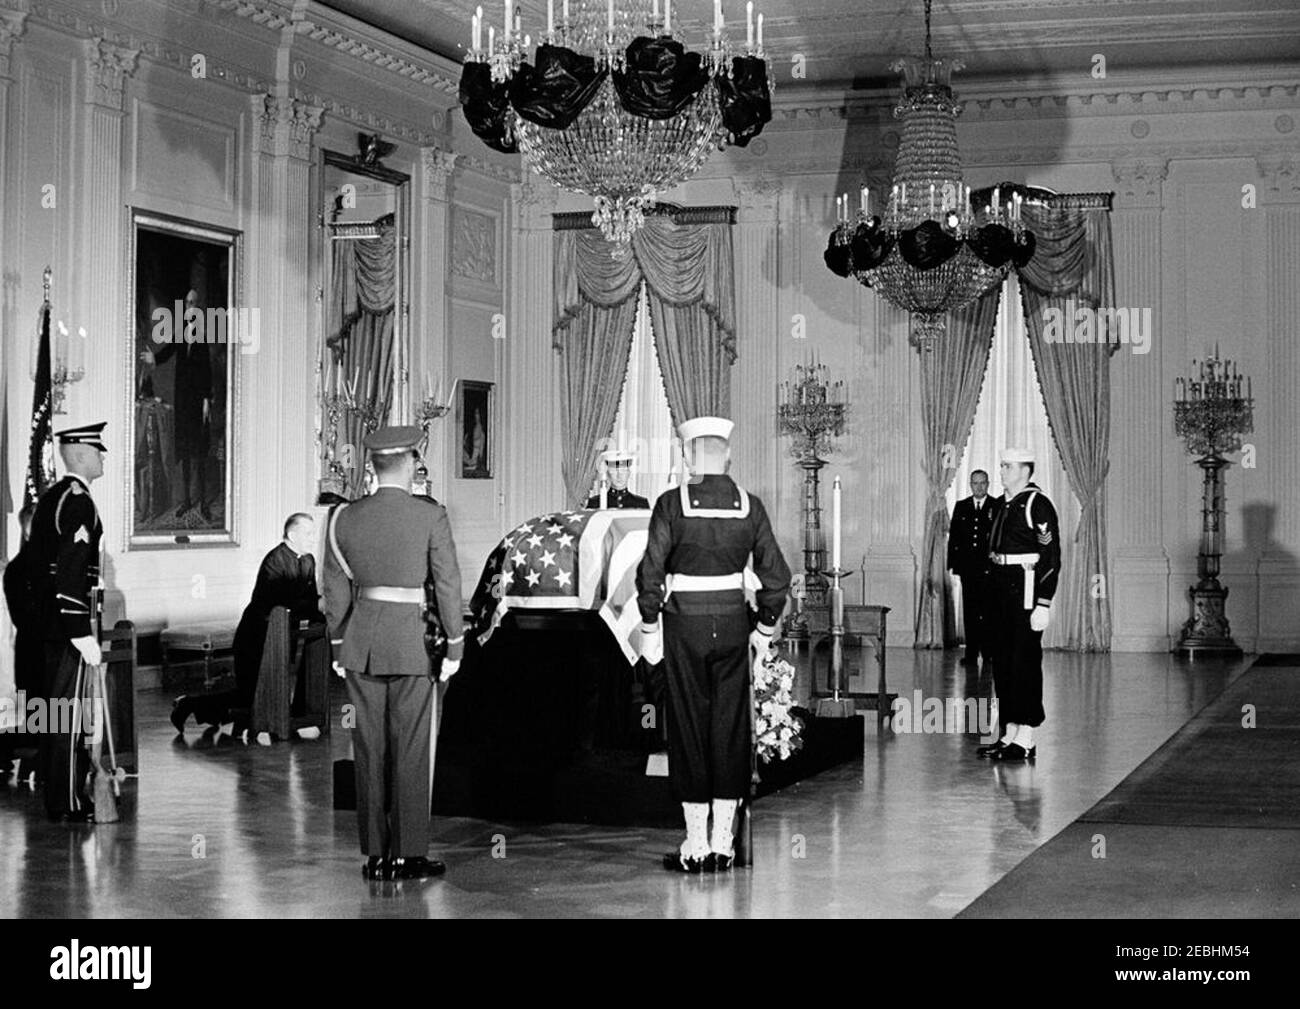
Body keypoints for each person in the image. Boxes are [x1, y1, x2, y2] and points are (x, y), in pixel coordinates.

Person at [636, 416, 791, 873]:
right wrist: (764, 630)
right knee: (729, 728)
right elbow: (776, 578)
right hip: (733, 622)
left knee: (688, 728)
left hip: (684, 626)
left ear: (688, 458)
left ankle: (696, 844)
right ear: (727, 457)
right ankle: (724, 843)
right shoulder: (750, 505)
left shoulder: (671, 504)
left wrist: (650, 628)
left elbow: (650, 573)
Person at [321, 426, 466, 882]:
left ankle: (376, 856)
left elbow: (334, 589)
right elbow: (447, 584)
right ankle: (408, 853)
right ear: (409, 465)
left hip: (361, 642)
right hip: (412, 642)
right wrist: (455, 643)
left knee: (368, 748)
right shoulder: (430, 515)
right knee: (411, 747)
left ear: (373, 466)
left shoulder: (342, 517)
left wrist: (339, 643)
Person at [170, 513, 324, 734]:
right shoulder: (275, 560)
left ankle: (206, 712)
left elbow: (309, 599)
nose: (313, 538)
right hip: (255, 638)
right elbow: (276, 602)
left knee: (258, 695)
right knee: (250, 695)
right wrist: (314, 605)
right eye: (308, 533)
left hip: (281, 637)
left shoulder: (308, 560)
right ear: (292, 535)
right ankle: (188, 704)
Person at [28, 422, 108, 822]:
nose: (102, 457)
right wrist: (80, 632)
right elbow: (70, 570)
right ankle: (69, 801)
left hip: (50, 623)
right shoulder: (77, 501)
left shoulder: (55, 497)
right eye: (96, 451)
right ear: (78, 454)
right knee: (68, 715)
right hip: (67, 627)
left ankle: (59, 794)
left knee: (55, 712)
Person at [977, 447, 1061, 762]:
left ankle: (1026, 737)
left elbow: (1050, 558)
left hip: (1024, 588)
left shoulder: (1038, 504)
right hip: (1000, 586)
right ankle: (1009, 733)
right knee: (1002, 663)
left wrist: (1043, 603)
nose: (1001, 471)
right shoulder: (1004, 504)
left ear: (1025, 470)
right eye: (1001, 465)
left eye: (1008, 466)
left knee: (1023, 662)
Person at [139, 288, 214, 521]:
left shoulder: (204, 334)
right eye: (188, 302)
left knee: (200, 454)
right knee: (185, 452)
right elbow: (168, 351)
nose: (191, 306)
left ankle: (203, 503)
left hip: (198, 401)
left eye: (194, 302)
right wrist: (154, 358)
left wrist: (206, 400)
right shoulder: (180, 332)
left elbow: (207, 369)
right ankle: (188, 501)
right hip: (183, 402)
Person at [947, 469, 1002, 668]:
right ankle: (970, 654)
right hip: (968, 569)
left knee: (989, 612)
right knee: (970, 612)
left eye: (982, 483)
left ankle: (988, 653)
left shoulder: (997, 506)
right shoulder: (961, 506)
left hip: (990, 569)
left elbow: (1001, 536)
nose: (979, 487)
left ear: (988, 484)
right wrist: (953, 564)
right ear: (970, 485)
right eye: (975, 483)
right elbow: (954, 537)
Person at [1, 505, 39, 771]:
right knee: (37, 708)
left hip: (51, 648)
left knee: (53, 710)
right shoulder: (18, 569)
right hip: (32, 648)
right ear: (27, 530)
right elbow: (23, 618)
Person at [585, 449, 650, 510]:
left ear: (628, 473)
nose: (619, 475)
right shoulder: (595, 502)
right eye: (614, 471)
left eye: (623, 471)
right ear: (608, 473)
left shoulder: (641, 504)